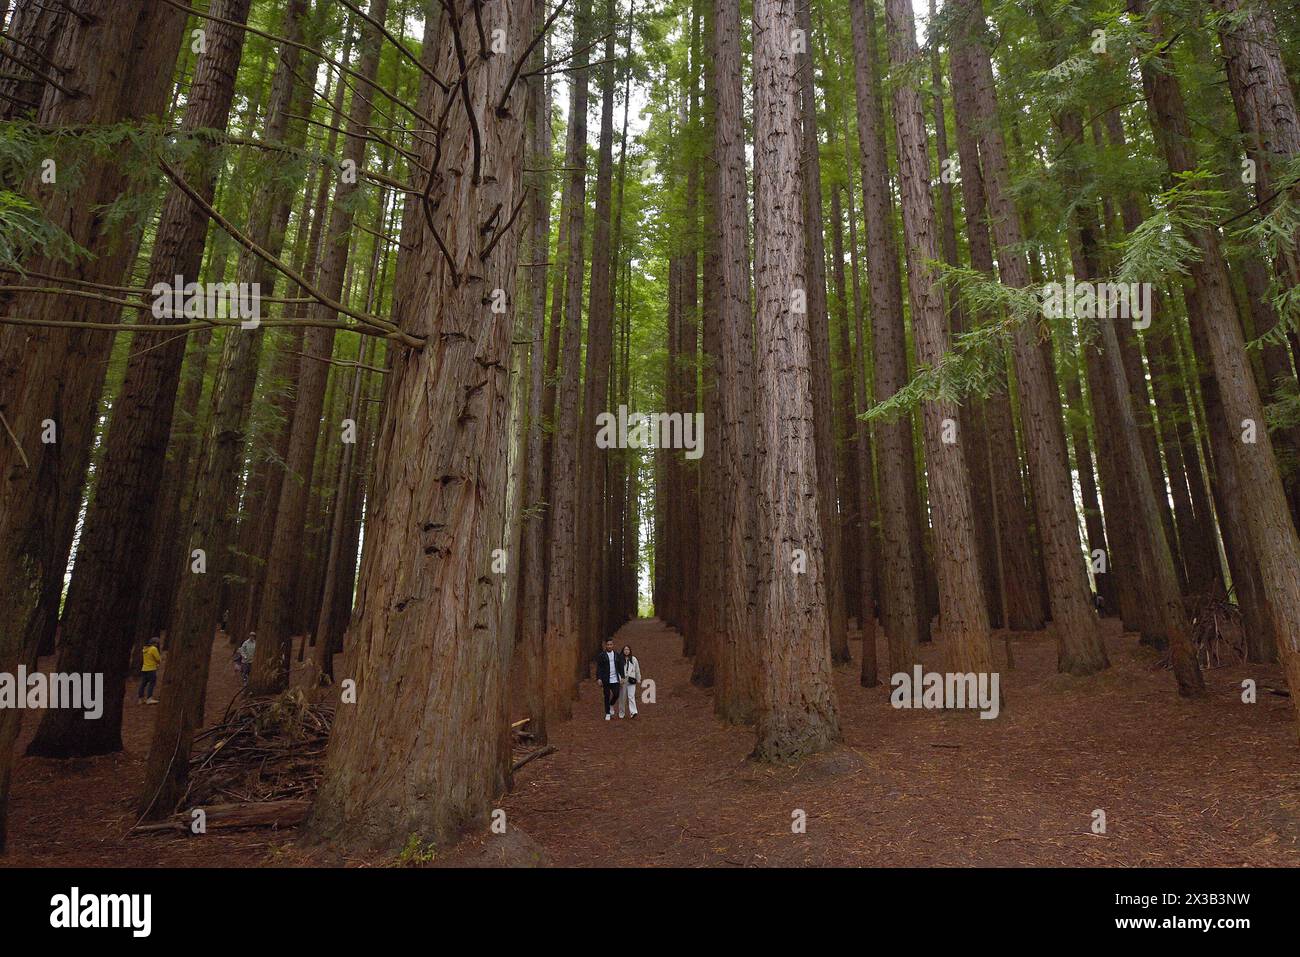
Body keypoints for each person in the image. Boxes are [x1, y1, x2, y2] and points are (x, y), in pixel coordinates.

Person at [592, 638, 624, 721]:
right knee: (606, 696)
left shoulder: (617, 655)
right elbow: (599, 668)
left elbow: (620, 667)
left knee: (616, 694)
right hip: (606, 679)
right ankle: (607, 713)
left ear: (613, 645)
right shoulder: (602, 655)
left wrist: (622, 677)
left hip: (615, 679)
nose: (609, 646)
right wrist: (599, 678)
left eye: (611, 644)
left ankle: (611, 704)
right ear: (606, 645)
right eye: (608, 645)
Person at [618, 644, 640, 719]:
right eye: (625, 650)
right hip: (623, 680)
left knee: (631, 696)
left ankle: (633, 712)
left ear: (630, 651)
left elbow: (637, 669)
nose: (626, 651)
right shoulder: (620, 659)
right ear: (623, 651)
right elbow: (618, 670)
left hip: (631, 680)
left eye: (628, 650)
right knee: (622, 697)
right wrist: (620, 679)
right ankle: (621, 713)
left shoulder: (634, 659)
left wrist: (638, 678)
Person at [138, 638, 161, 705]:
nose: (157, 645)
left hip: (144, 669)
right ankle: (149, 698)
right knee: (152, 683)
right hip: (151, 669)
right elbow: (158, 658)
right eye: (157, 643)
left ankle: (140, 699)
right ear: (155, 643)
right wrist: (158, 663)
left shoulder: (145, 649)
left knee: (143, 684)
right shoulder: (153, 649)